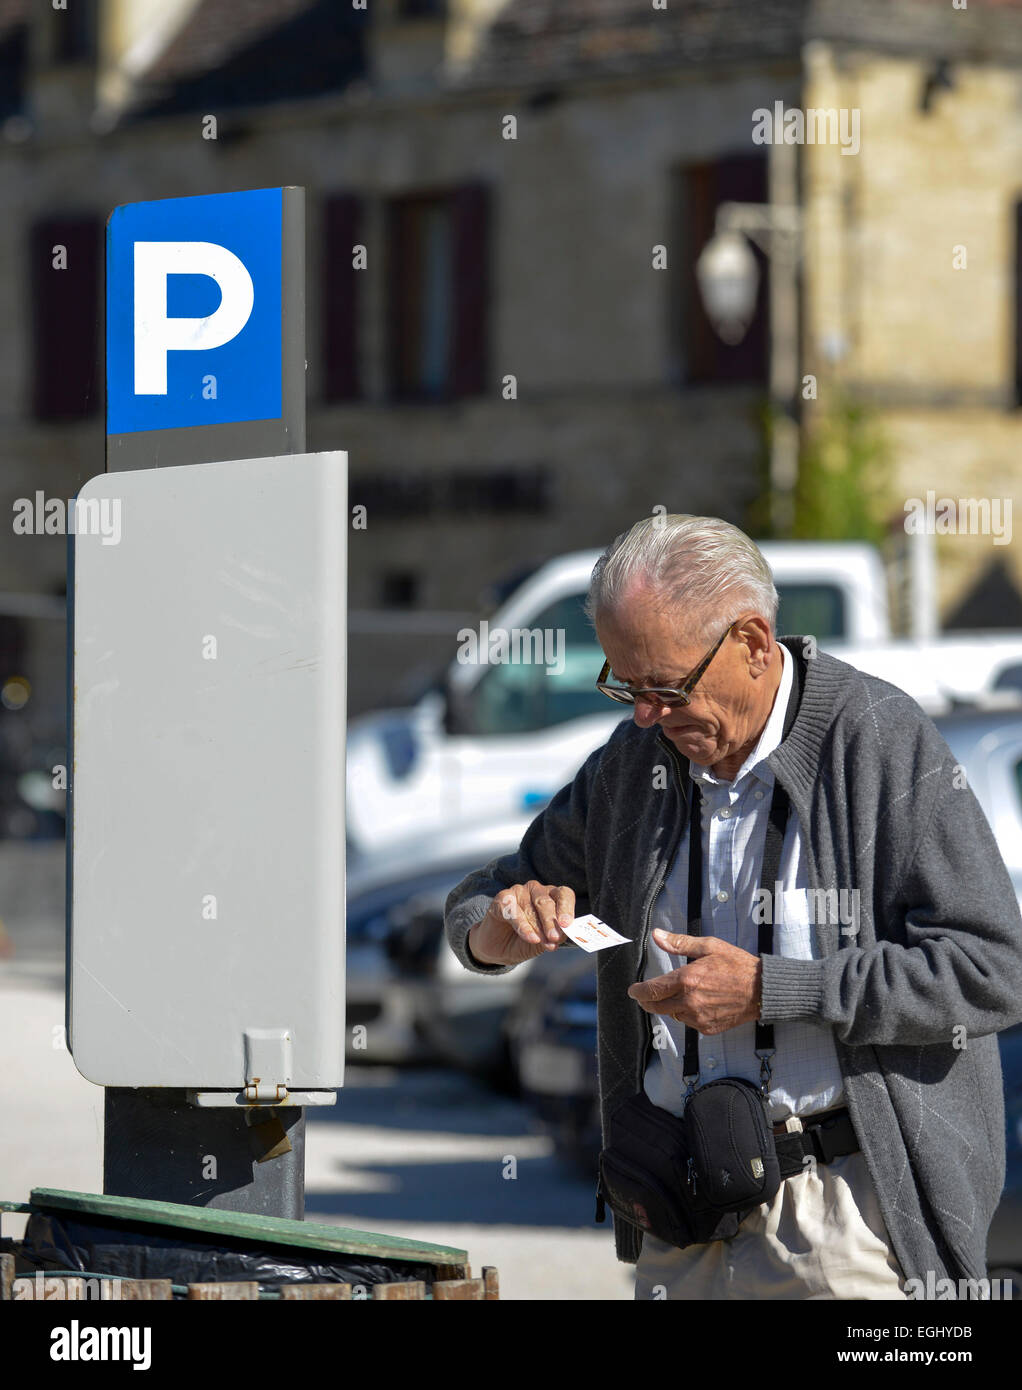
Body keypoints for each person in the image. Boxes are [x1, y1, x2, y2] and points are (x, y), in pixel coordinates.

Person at [443, 514, 1022, 1300]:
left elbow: (992, 969)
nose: (646, 714)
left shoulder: (880, 743)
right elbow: (477, 902)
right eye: (625, 686)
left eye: (665, 686)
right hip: (679, 1213)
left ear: (753, 642)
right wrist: (502, 928)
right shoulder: (631, 766)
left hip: (848, 1222)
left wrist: (774, 990)